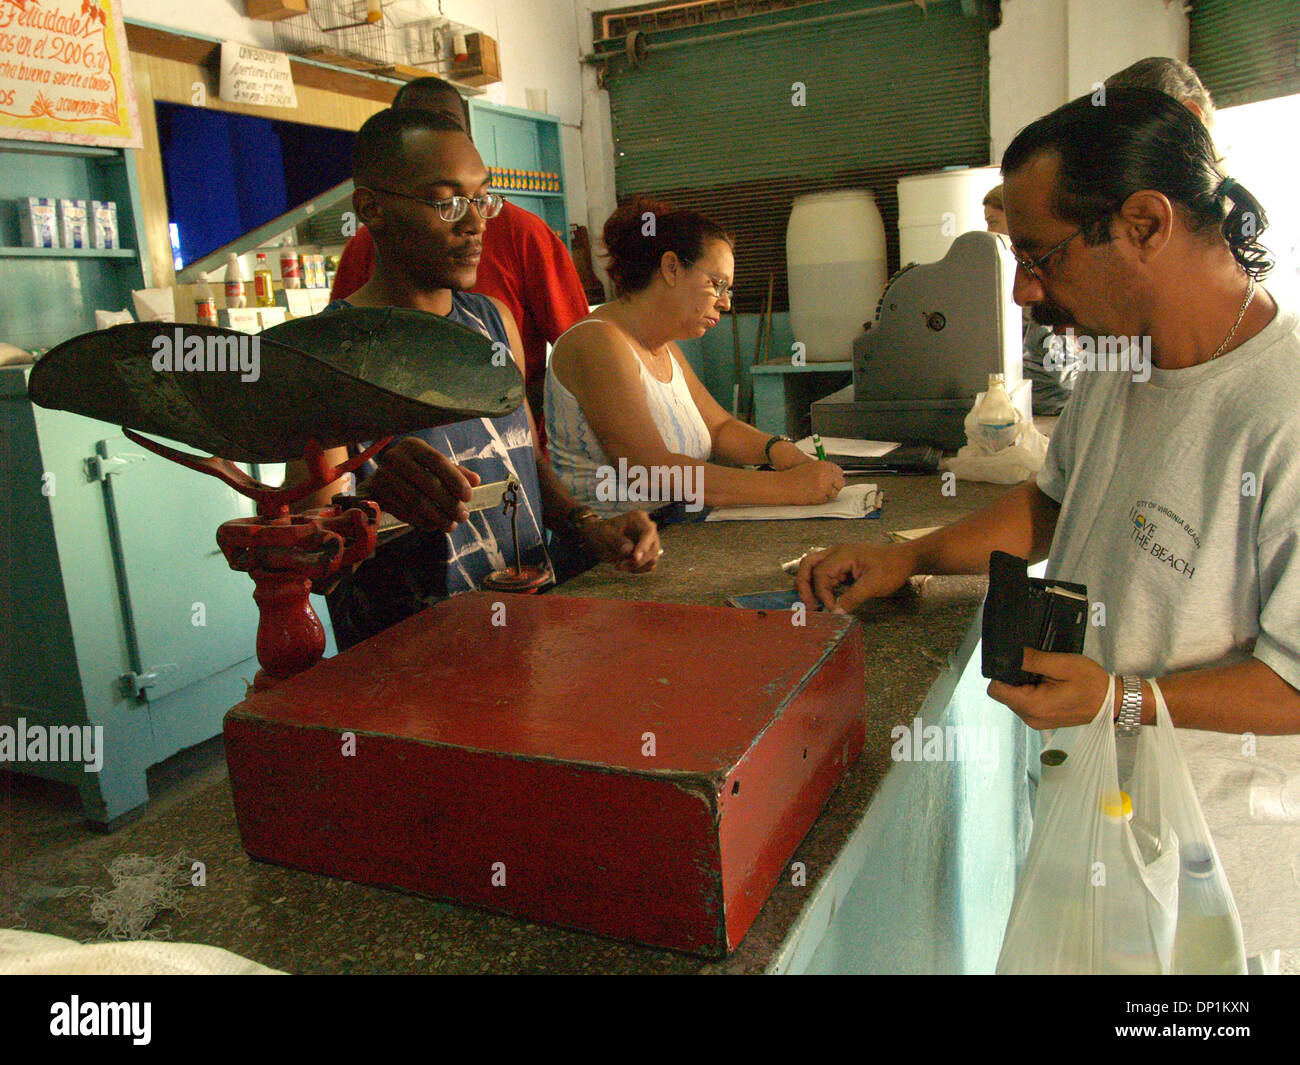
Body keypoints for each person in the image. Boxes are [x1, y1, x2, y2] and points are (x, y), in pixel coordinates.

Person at [799, 88, 1300, 964]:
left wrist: (1120, 700)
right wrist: (908, 557)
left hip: (1218, 878)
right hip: (1099, 820)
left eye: (1041, 255)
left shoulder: (1280, 410)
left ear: (1145, 223)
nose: (1027, 288)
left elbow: (1292, 687)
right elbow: (1054, 503)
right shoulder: (1120, 354)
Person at [302, 108, 659, 650]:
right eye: (446, 202)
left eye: (482, 199)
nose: (474, 223)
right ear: (370, 208)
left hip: (529, 633)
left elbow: (522, 459)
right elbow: (311, 558)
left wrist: (587, 526)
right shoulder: (327, 357)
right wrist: (371, 506)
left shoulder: (493, 321)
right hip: (413, 665)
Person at [330, 77, 591, 450]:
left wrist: (554, 465)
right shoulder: (363, 248)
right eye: (444, 202)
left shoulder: (516, 251)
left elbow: (580, 352)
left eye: (446, 125)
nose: (476, 224)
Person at [545, 197, 845, 517]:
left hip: (672, 530)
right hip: (617, 550)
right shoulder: (597, 341)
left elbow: (720, 428)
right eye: (717, 285)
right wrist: (791, 488)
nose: (725, 302)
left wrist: (779, 450)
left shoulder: (663, 345)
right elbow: (650, 469)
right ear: (671, 268)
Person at [984, 182, 1076, 415]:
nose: (988, 232)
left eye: (993, 222)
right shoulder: (1011, 275)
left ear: (1016, 219)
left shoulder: (1041, 280)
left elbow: (1056, 378)